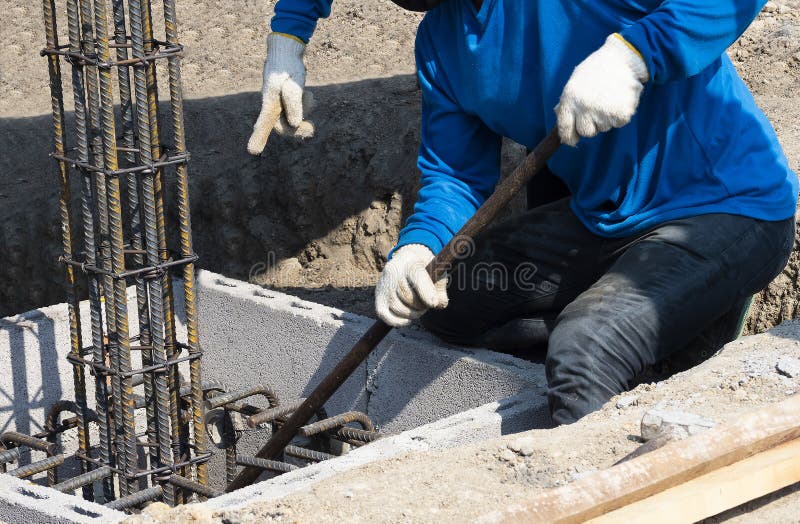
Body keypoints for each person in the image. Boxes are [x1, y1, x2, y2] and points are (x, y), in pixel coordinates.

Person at [248, 0, 798, 424]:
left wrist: (635, 54)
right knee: (446, 299)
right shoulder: (442, 41)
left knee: (587, 351)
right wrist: (417, 248)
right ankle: (628, 327)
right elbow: (457, 176)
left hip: (723, 207)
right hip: (601, 217)